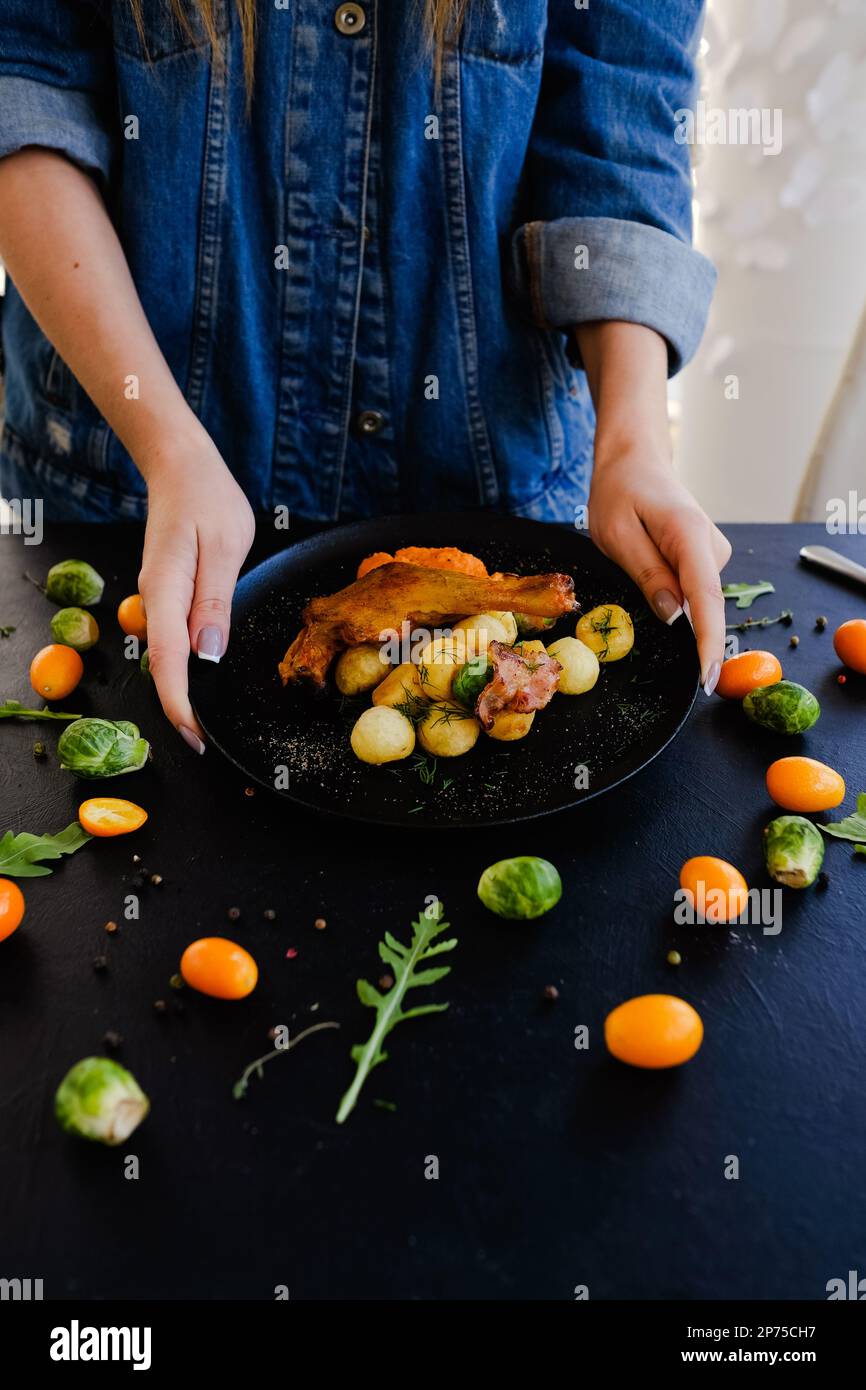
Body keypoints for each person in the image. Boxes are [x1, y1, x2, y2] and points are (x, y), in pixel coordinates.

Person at [0, 0, 731, 754]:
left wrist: (634, 443)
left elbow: (620, 129)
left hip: (496, 478)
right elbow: (21, 82)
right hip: (134, 487)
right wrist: (166, 445)